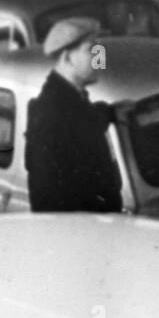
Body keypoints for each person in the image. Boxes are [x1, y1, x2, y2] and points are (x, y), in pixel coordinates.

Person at [24, 16, 122, 213]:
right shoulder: (48, 113)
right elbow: (49, 197)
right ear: (68, 58)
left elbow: (85, 119)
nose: (99, 57)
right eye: (91, 50)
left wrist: (110, 112)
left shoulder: (71, 101)